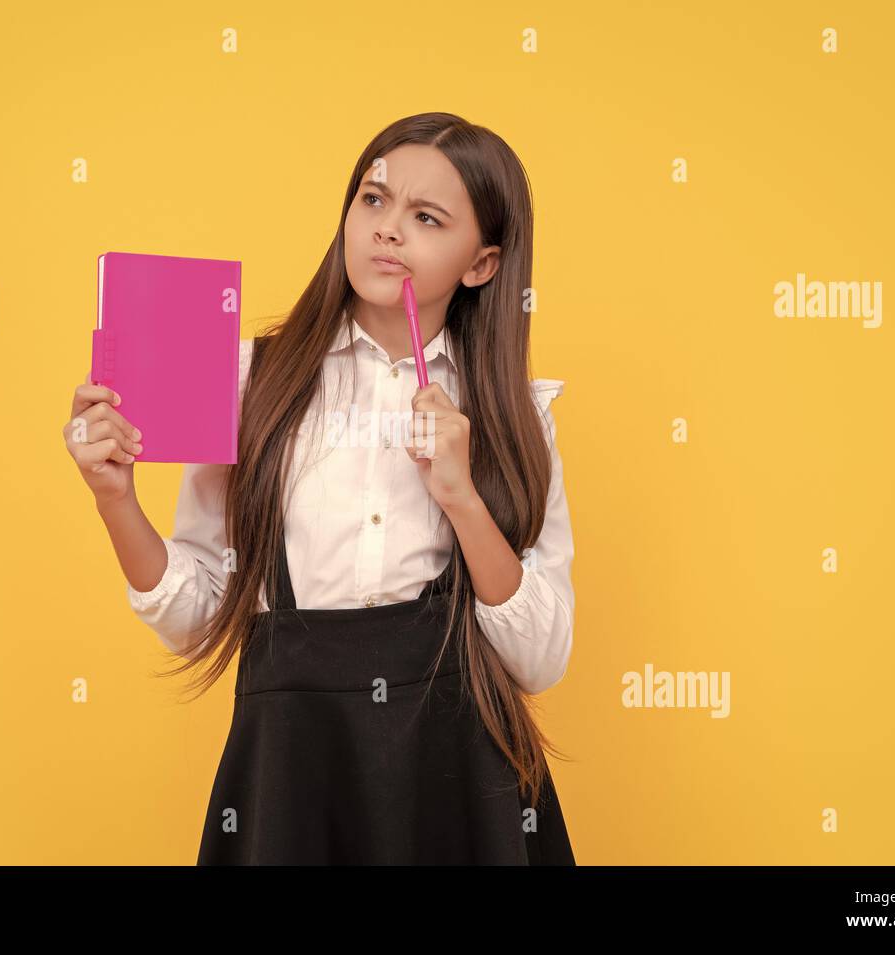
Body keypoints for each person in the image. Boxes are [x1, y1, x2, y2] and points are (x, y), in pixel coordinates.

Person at [64, 112, 576, 864]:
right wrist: (114, 499)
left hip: (459, 783)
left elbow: (540, 658)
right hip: (293, 775)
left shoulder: (513, 412)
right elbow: (198, 611)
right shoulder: (242, 380)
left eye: (425, 217)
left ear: (482, 264)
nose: (387, 230)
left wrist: (462, 498)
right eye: (373, 200)